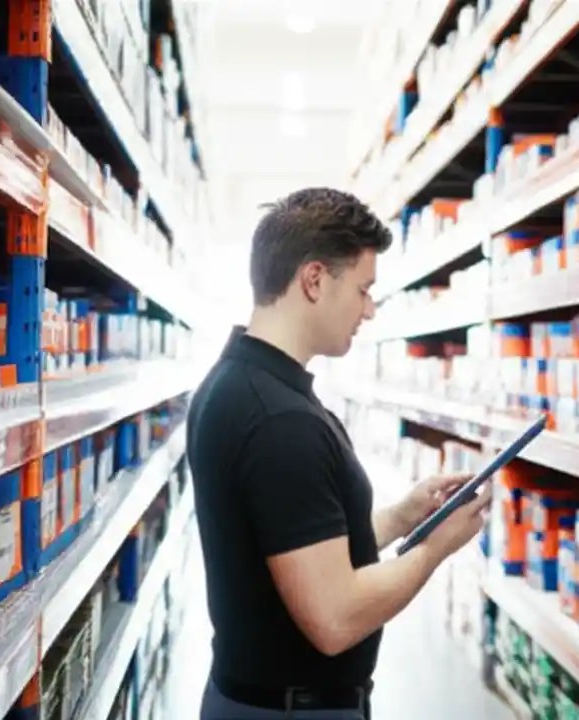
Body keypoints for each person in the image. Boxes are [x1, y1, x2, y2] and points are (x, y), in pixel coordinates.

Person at [188, 188, 491, 719]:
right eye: (363, 289)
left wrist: (403, 517)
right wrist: (435, 549)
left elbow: (300, 546)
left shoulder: (239, 383)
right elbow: (335, 616)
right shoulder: (278, 420)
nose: (369, 310)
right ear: (313, 280)